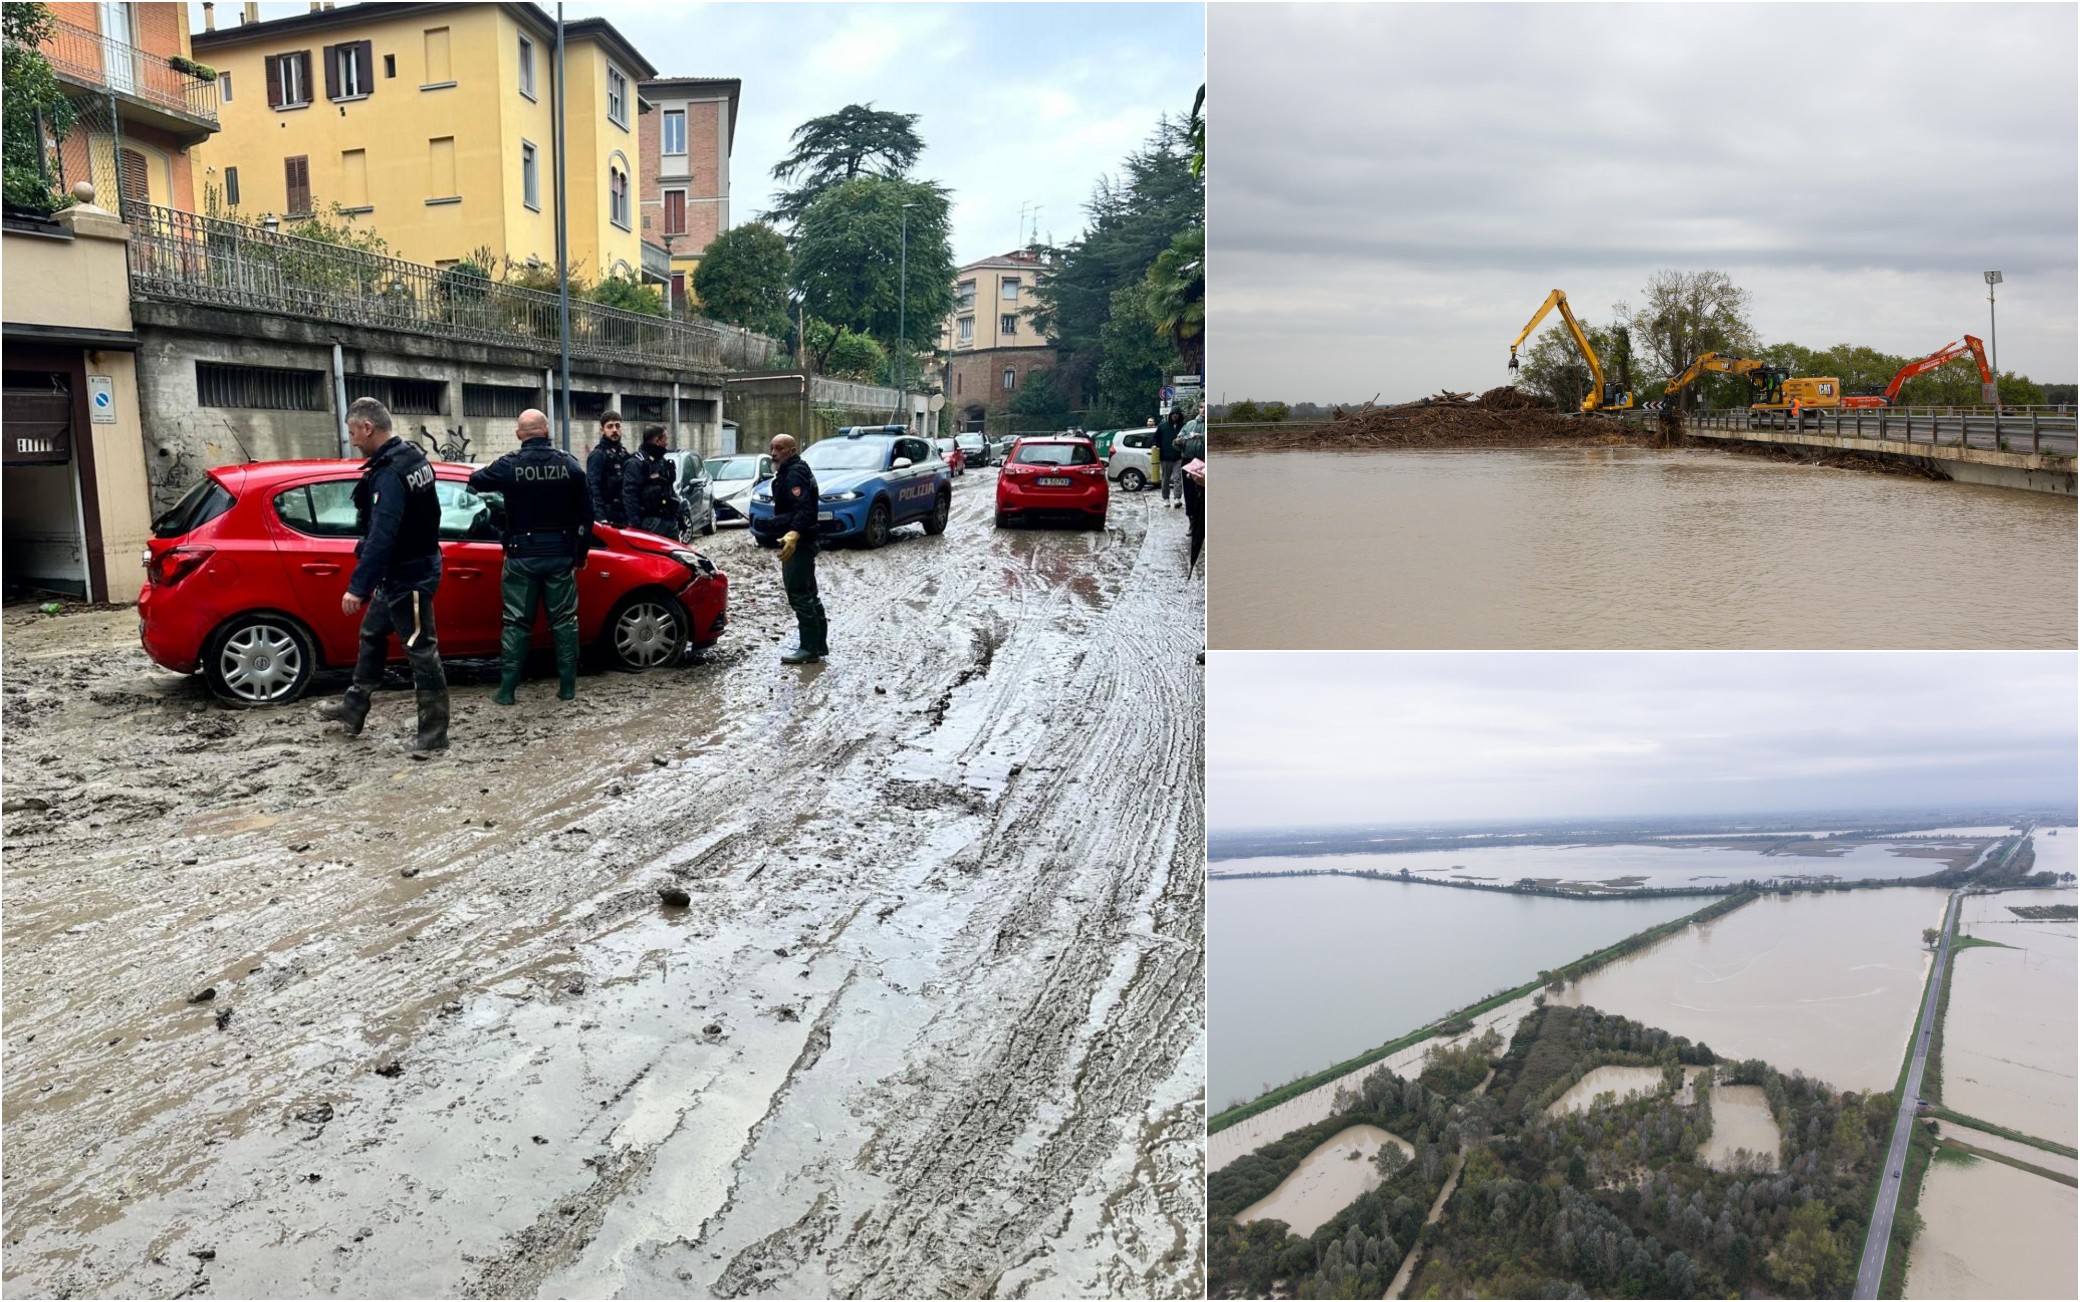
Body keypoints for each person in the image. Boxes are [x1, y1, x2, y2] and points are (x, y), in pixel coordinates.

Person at [317, 396, 449, 756]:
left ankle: (434, 736)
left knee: (422, 652)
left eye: (352, 433)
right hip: (401, 572)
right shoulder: (411, 456)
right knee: (372, 633)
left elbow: (383, 534)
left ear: (367, 427)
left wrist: (357, 587)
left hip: (411, 577)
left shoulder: (390, 472)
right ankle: (353, 707)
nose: (352, 440)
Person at [467, 408, 593, 704]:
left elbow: (475, 480)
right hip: (561, 554)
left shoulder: (508, 466)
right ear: (547, 432)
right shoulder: (570, 466)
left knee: (516, 623)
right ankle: (567, 688)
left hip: (521, 556)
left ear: (519, 434)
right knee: (564, 622)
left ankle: (508, 691)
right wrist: (581, 553)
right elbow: (587, 514)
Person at [766, 433, 828, 664]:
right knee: (809, 593)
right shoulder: (791, 471)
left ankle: (809, 647)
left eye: (779, 448)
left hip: (800, 542)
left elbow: (804, 509)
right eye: (772, 447)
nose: (773, 452)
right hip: (803, 538)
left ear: (791, 451)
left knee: (799, 594)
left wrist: (794, 533)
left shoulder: (794, 474)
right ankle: (818, 644)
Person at [623, 425, 684, 535]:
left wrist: (679, 516)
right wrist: (636, 526)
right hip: (651, 523)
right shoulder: (636, 463)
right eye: (665, 438)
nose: (667, 442)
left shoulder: (662, 461)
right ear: (657, 441)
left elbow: (669, 491)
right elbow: (629, 496)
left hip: (668, 520)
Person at [586, 410, 631, 526]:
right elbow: (593, 488)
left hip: (624, 514)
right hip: (607, 514)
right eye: (610, 426)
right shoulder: (598, 455)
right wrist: (600, 517)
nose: (614, 430)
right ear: (602, 430)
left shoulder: (623, 454)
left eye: (617, 426)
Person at [1157, 406, 1187, 505]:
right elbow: (1155, 439)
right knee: (1165, 479)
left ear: (1179, 416)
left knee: (1177, 478)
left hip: (1178, 457)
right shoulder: (1163, 426)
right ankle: (1166, 498)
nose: (1175, 416)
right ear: (1170, 415)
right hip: (1165, 458)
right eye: (1173, 414)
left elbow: (1187, 439)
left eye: (1177, 414)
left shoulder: (1183, 427)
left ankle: (1177, 498)